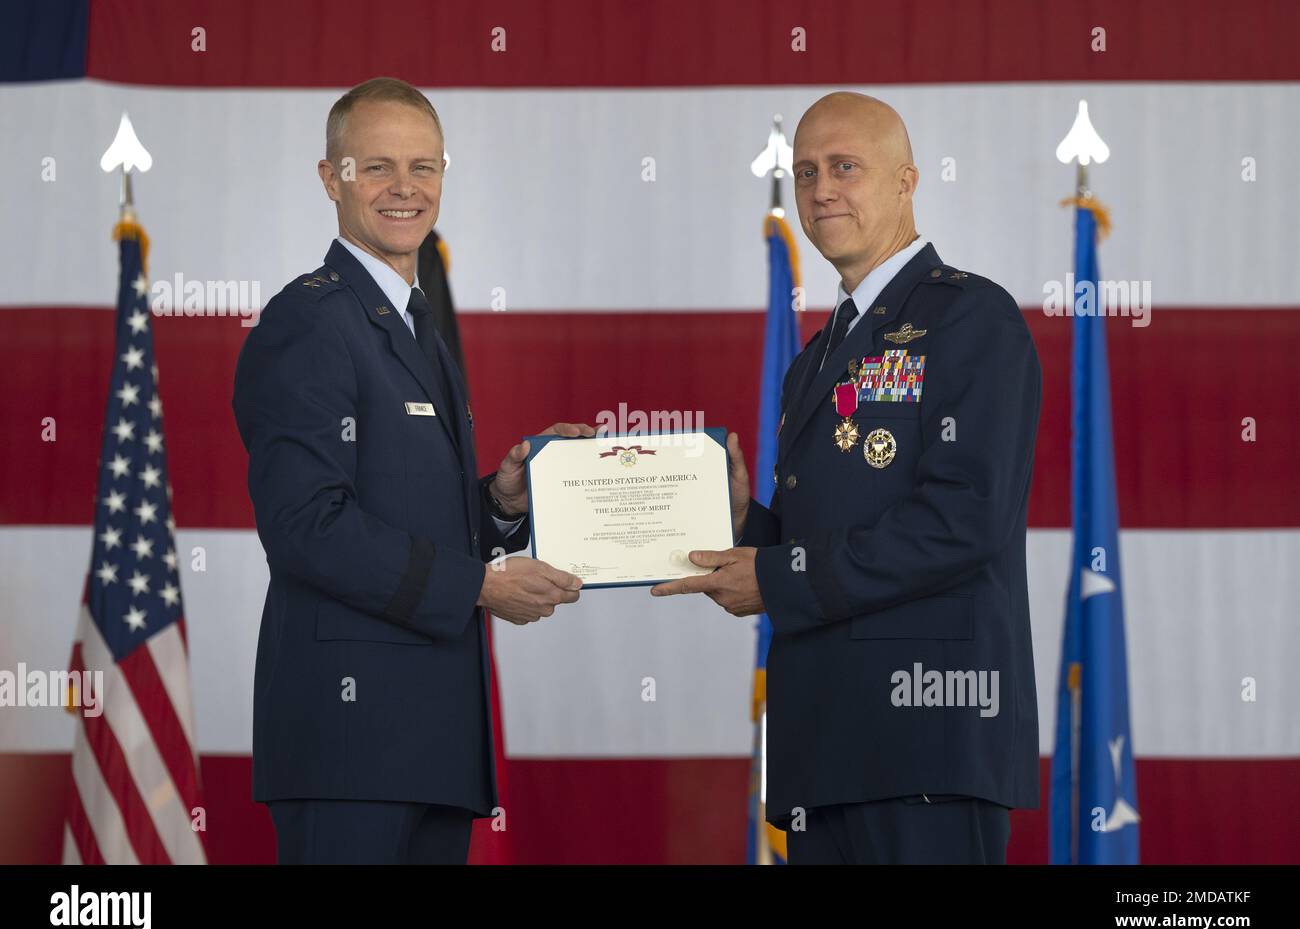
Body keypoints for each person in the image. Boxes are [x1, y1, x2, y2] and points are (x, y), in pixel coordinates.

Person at [653, 92, 1042, 864]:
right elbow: (819, 541)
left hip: (927, 741)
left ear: (906, 181)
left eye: (845, 167)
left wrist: (778, 576)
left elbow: (963, 520)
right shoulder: (817, 359)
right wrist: (743, 523)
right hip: (825, 750)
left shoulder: (972, 320)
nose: (821, 188)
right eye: (805, 172)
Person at [232, 77, 591, 864]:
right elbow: (306, 526)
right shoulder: (311, 320)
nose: (405, 189)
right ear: (332, 179)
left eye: (424, 167)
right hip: (348, 743)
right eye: (378, 168)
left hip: (429, 742)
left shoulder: (410, 320)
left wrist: (500, 499)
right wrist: (479, 585)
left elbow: (401, 508)